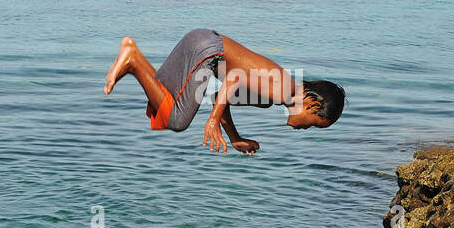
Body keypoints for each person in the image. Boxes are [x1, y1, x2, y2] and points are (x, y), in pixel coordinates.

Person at [103, 29, 345, 154]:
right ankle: (133, 60)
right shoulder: (284, 90)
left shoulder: (271, 98)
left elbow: (220, 96)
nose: (305, 129)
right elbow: (234, 77)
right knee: (177, 120)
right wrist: (212, 121)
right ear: (313, 106)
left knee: (165, 105)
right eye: (313, 124)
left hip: (203, 41)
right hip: (208, 50)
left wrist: (234, 138)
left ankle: (133, 59)